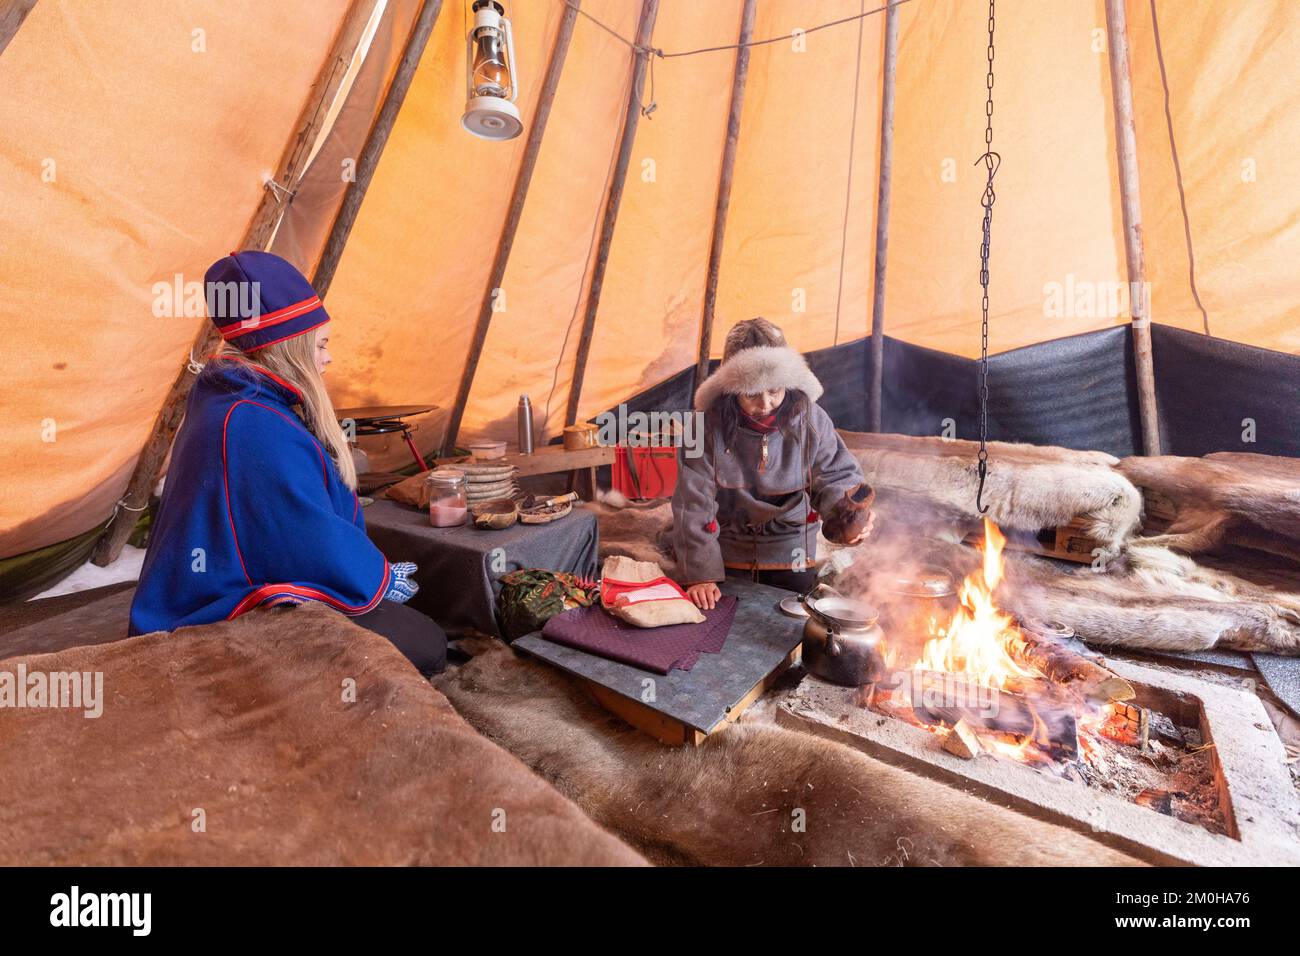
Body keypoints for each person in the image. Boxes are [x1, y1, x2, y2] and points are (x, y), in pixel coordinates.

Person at [128, 251, 446, 674]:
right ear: (291, 349)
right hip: (213, 606)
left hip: (202, 584)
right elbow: (300, 537)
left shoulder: (232, 399)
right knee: (426, 644)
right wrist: (378, 577)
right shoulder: (252, 423)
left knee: (417, 627)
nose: (328, 358)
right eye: (322, 344)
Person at [672, 318, 873, 610]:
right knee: (725, 630)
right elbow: (693, 504)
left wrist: (850, 520)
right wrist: (700, 574)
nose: (765, 404)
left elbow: (835, 475)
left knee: (789, 630)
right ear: (731, 391)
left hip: (790, 549)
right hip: (726, 551)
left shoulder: (811, 420)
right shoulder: (702, 429)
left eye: (775, 390)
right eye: (752, 393)